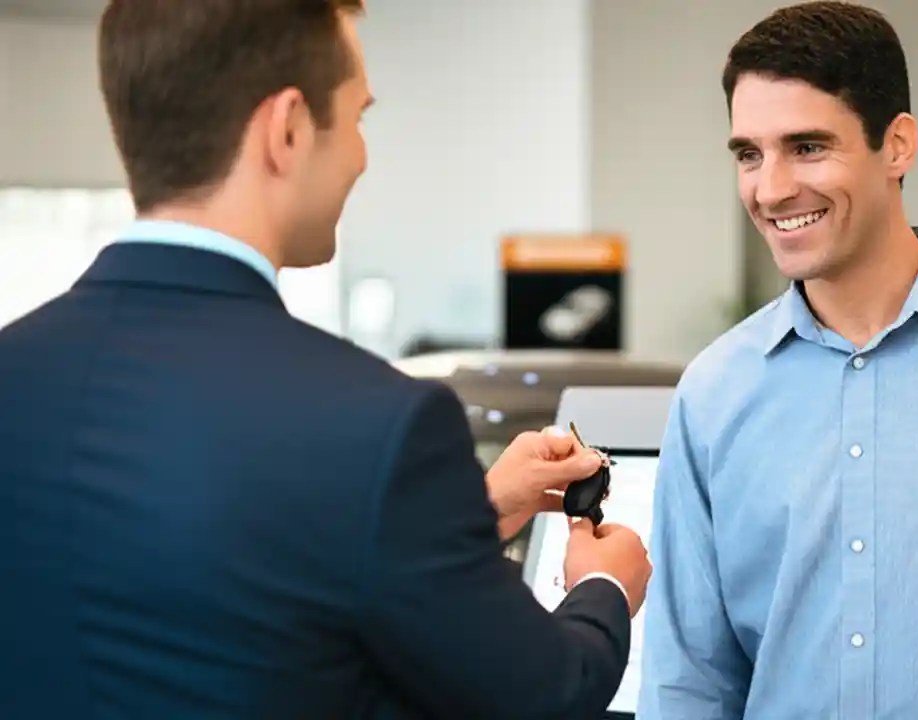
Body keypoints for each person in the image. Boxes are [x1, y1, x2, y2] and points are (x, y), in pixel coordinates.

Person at [0, 1, 650, 718]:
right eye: (359, 117)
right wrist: (605, 589)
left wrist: (471, 514)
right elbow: (543, 694)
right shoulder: (378, 424)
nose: (363, 156)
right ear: (286, 130)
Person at [638, 3, 918, 718]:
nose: (772, 187)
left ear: (898, 145)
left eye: (808, 146)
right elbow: (689, 676)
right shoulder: (715, 391)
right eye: (749, 154)